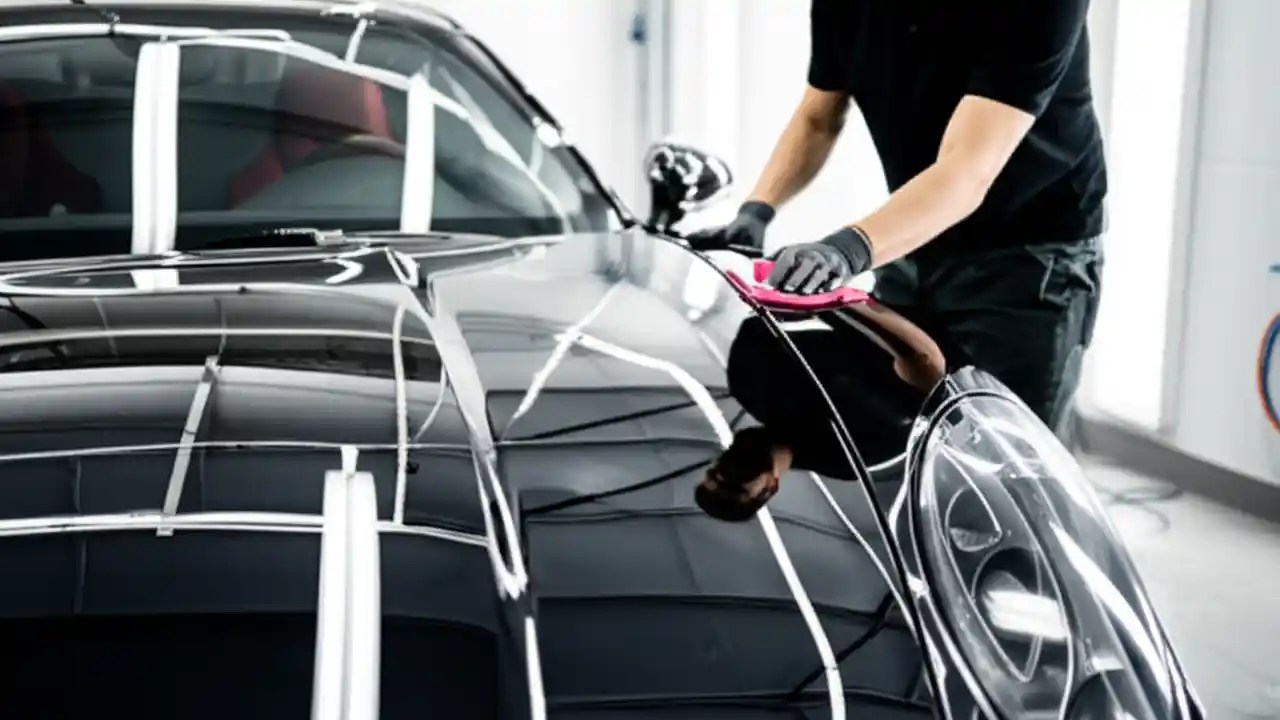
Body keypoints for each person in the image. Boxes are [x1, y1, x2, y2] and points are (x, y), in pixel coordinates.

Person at [689, 0, 1105, 442]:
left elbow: (968, 169)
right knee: (901, 429)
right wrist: (758, 209)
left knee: (1009, 458)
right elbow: (819, 116)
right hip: (918, 233)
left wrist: (844, 250)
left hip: (1030, 256)